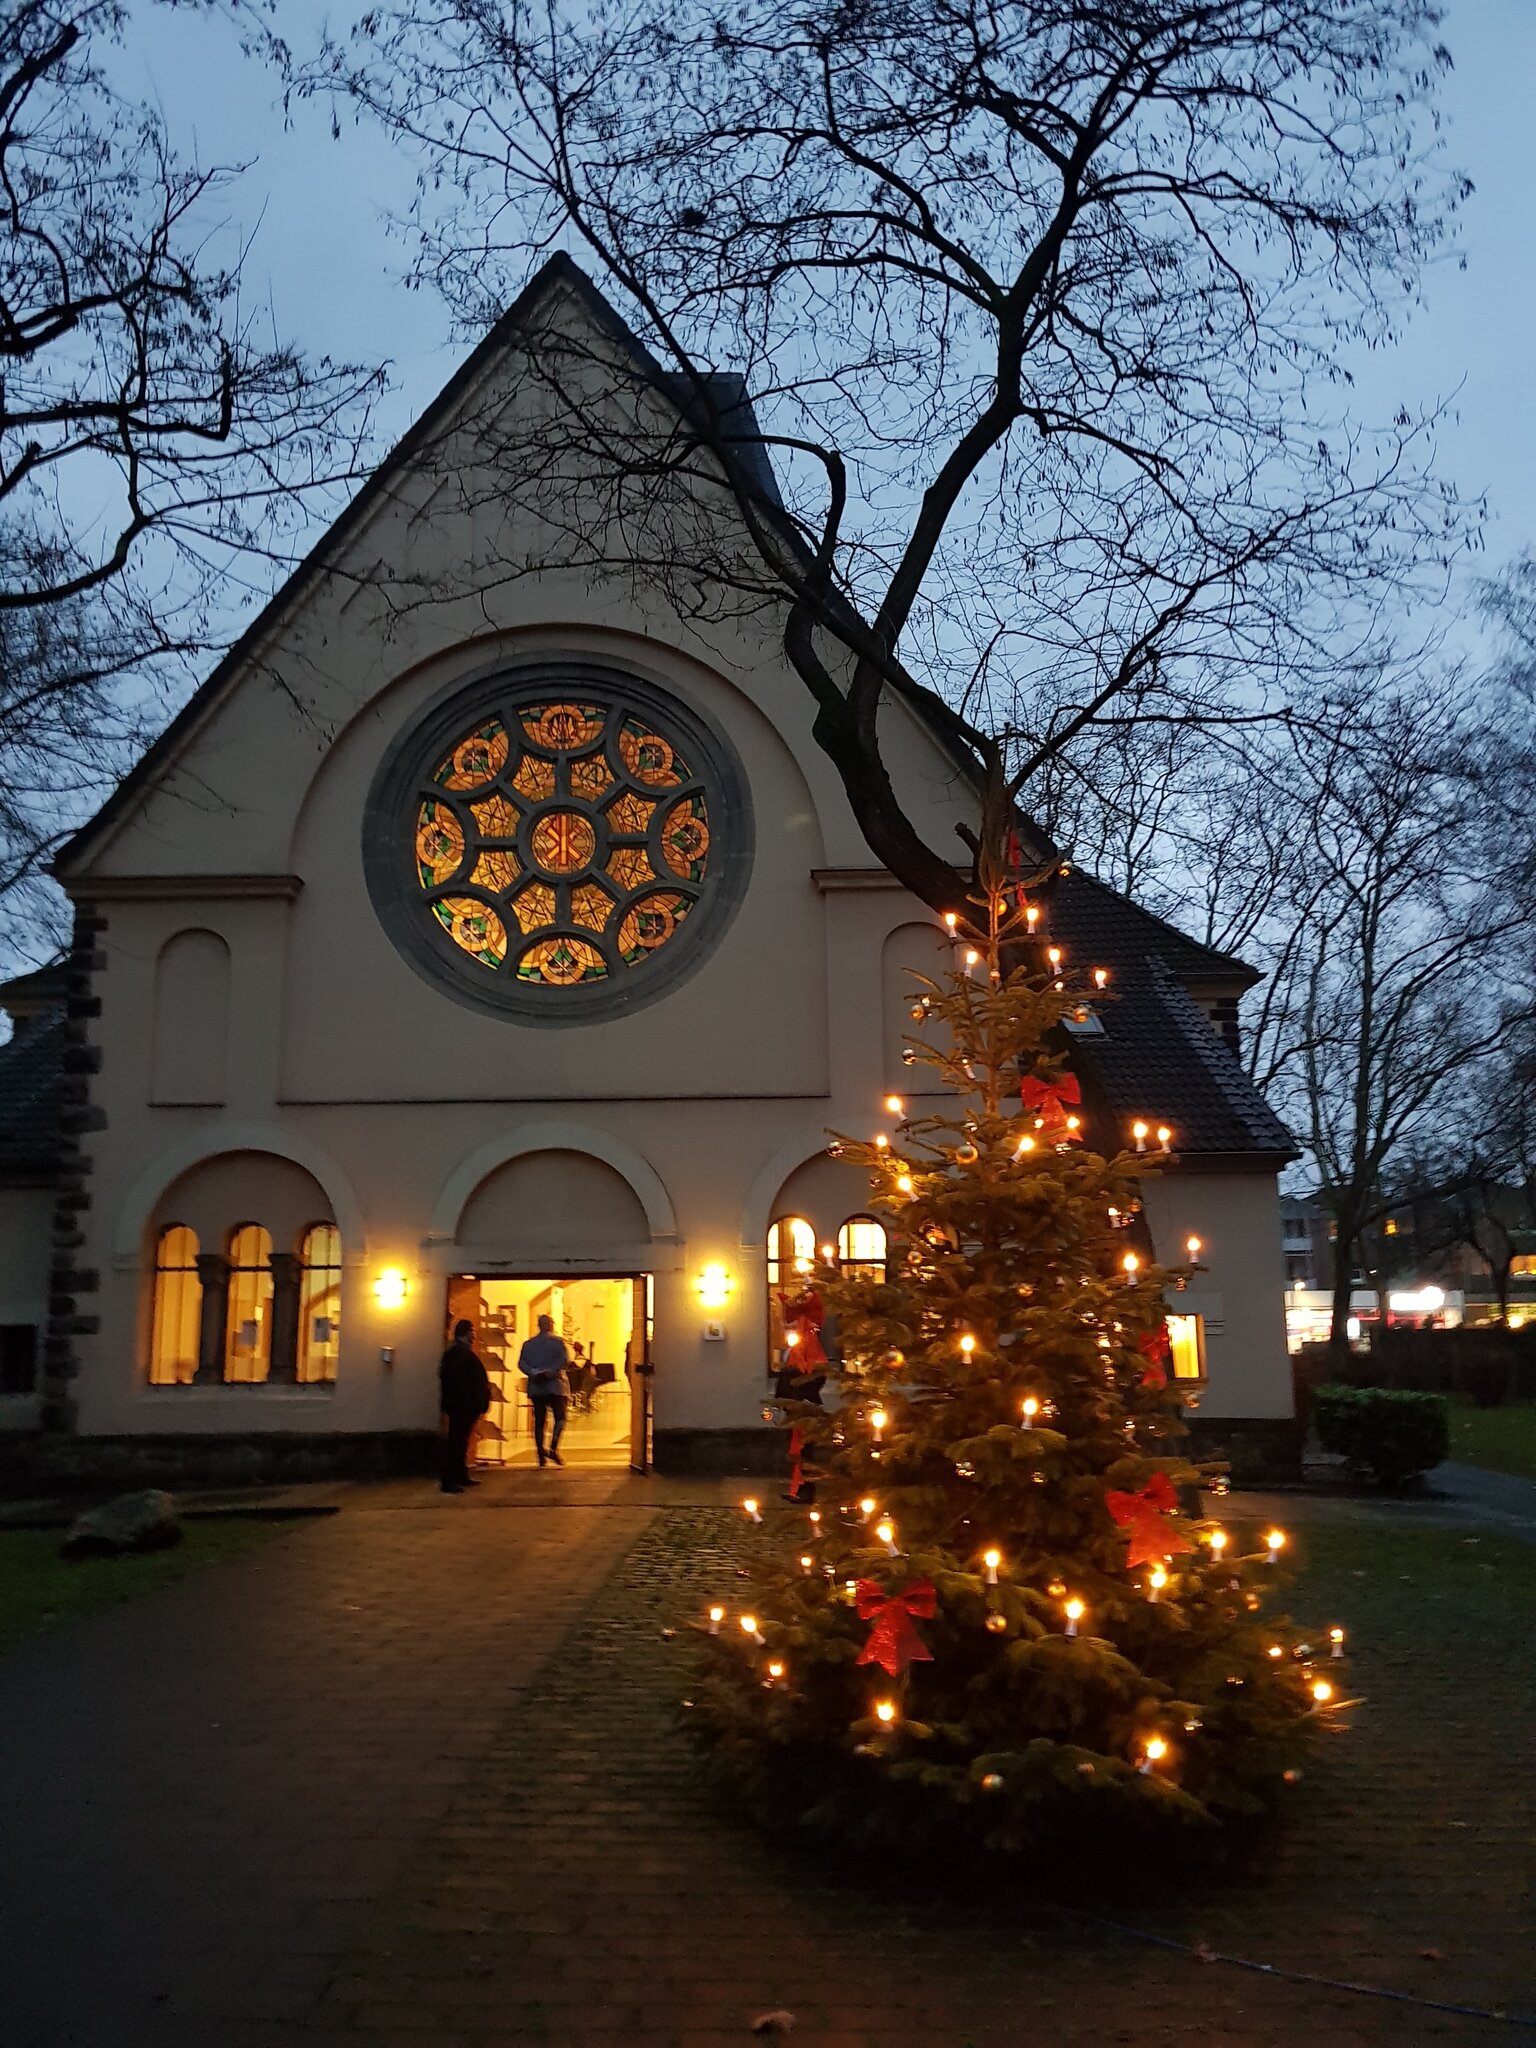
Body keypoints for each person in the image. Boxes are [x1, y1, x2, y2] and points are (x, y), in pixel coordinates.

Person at [438, 1318, 491, 1494]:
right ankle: (449, 1479)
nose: (474, 1334)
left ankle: (460, 1475)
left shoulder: (460, 1353)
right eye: (472, 1330)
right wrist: (474, 1398)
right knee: (456, 1442)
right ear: (466, 1333)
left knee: (461, 1442)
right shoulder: (457, 1355)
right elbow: (459, 1382)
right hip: (461, 1406)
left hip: (465, 1406)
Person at [518, 1312, 571, 1467]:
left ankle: (540, 1453)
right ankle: (553, 1447)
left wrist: (533, 1372)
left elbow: (522, 1363)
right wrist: (551, 1371)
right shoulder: (558, 1342)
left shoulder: (528, 1344)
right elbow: (564, 1360)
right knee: (560, 1418)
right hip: (556, 1385)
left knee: (540, 1421)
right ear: (551, 1325)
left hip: (537, 1386)